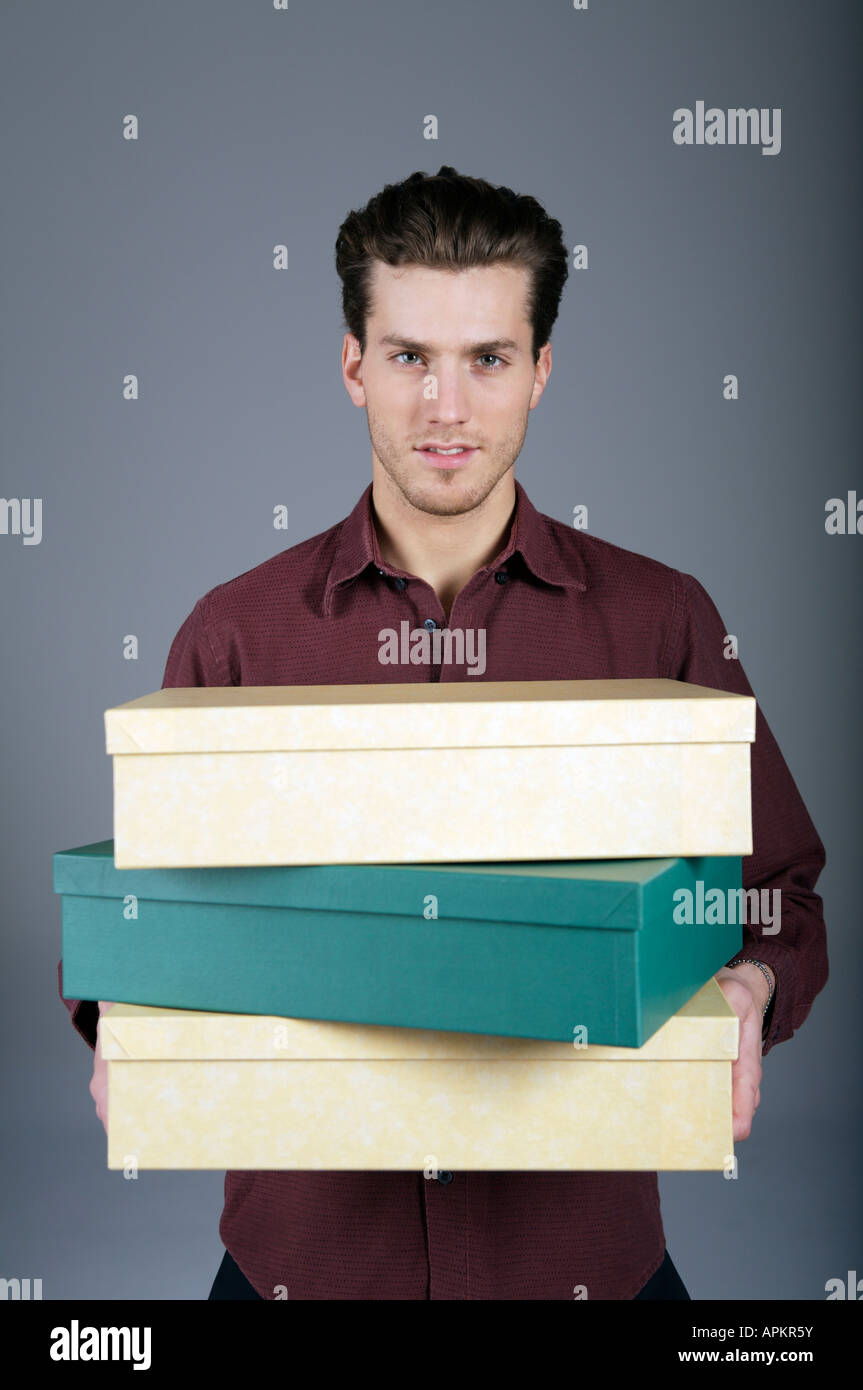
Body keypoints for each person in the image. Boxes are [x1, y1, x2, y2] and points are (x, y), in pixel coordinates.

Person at [60, 165, 828, 1300]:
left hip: (580, 1267)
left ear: (540, 373)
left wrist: (753, 988)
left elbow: (777, 892)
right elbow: (139, 915)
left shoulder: (663, 619)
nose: (445, 406)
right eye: (409, 355)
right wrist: (127, 1008)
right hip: (306, 1272)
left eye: (488, 358)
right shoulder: (233, 636)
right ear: (351, 366)